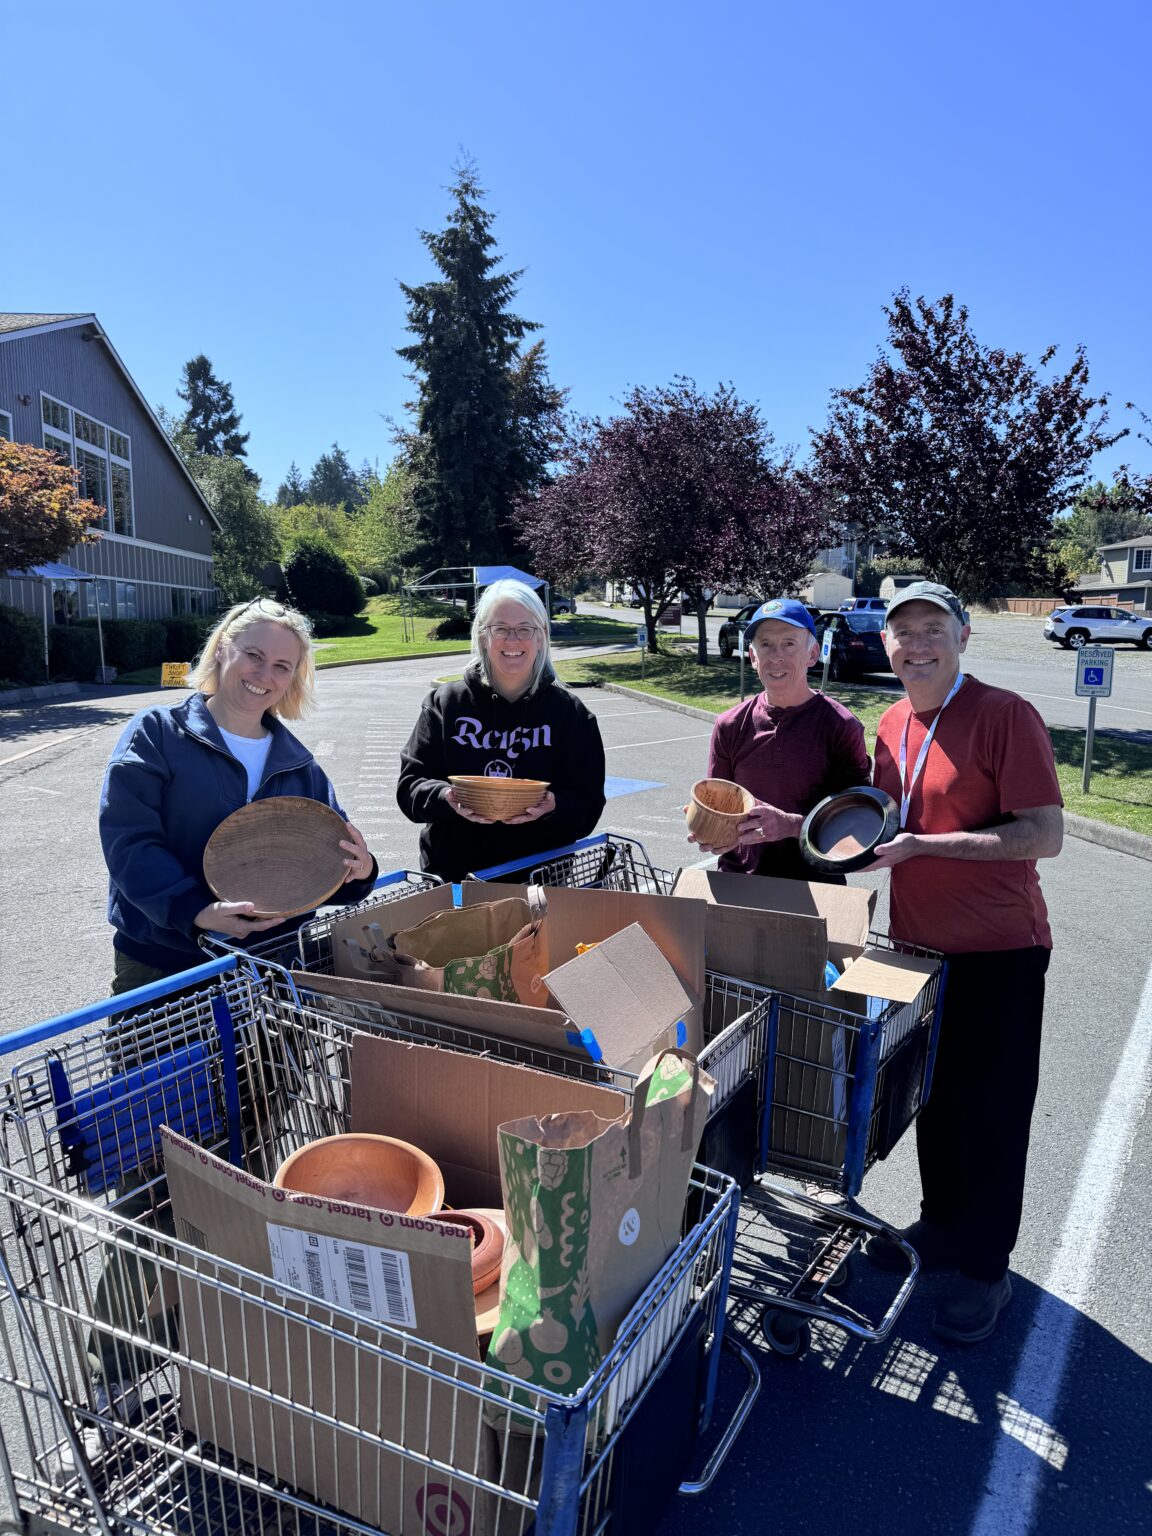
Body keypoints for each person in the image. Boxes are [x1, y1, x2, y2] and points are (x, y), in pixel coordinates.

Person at [866, 582, 1063, 1344]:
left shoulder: (1005, 715)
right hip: (920, 954)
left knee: (994, 1112)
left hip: (1000, 953)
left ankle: (987, 1269)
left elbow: (1041, 834)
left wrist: (927, 847)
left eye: (932, 629)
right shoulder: (890, 722)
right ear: (887, 644)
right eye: (903, 632)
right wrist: (796, 827)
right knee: (935, 1102)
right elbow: (883, 824)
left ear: (963, 636)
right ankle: (942, 1226)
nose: (917, 644)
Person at [99, 597, 379, 992]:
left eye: (282, 666)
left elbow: (326, 858)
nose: (265, 674)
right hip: (165, 964)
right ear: (222, 649)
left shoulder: (299, 764)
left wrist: (361, 870)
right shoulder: (158, 733)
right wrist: (195, 911)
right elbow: (129, 840)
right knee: (168, 1059)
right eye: (254, 655)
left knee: (269, 1059)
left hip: (269, 968)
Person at [397, 578, 606, 880]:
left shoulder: (570, 714)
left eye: (525, 629)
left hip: (539, 882)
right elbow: (410, 787)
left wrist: (553, 805)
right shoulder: (445, 704)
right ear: (483, 636)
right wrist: (446, 797)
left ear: (541, 637)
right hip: (455, 879)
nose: (512, 640)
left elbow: (588, 804)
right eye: (500, 629)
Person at [692, 598, 870, 880]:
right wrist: (710, 828)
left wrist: (790, 825)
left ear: (812, 654)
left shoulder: (841, 725)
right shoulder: (729, 724)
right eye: (765, 645)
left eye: (789, 644)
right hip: (739, 881)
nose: (776, 656)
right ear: (752, 657)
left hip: (816, 885)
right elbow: (721, 806)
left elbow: (858, 819)